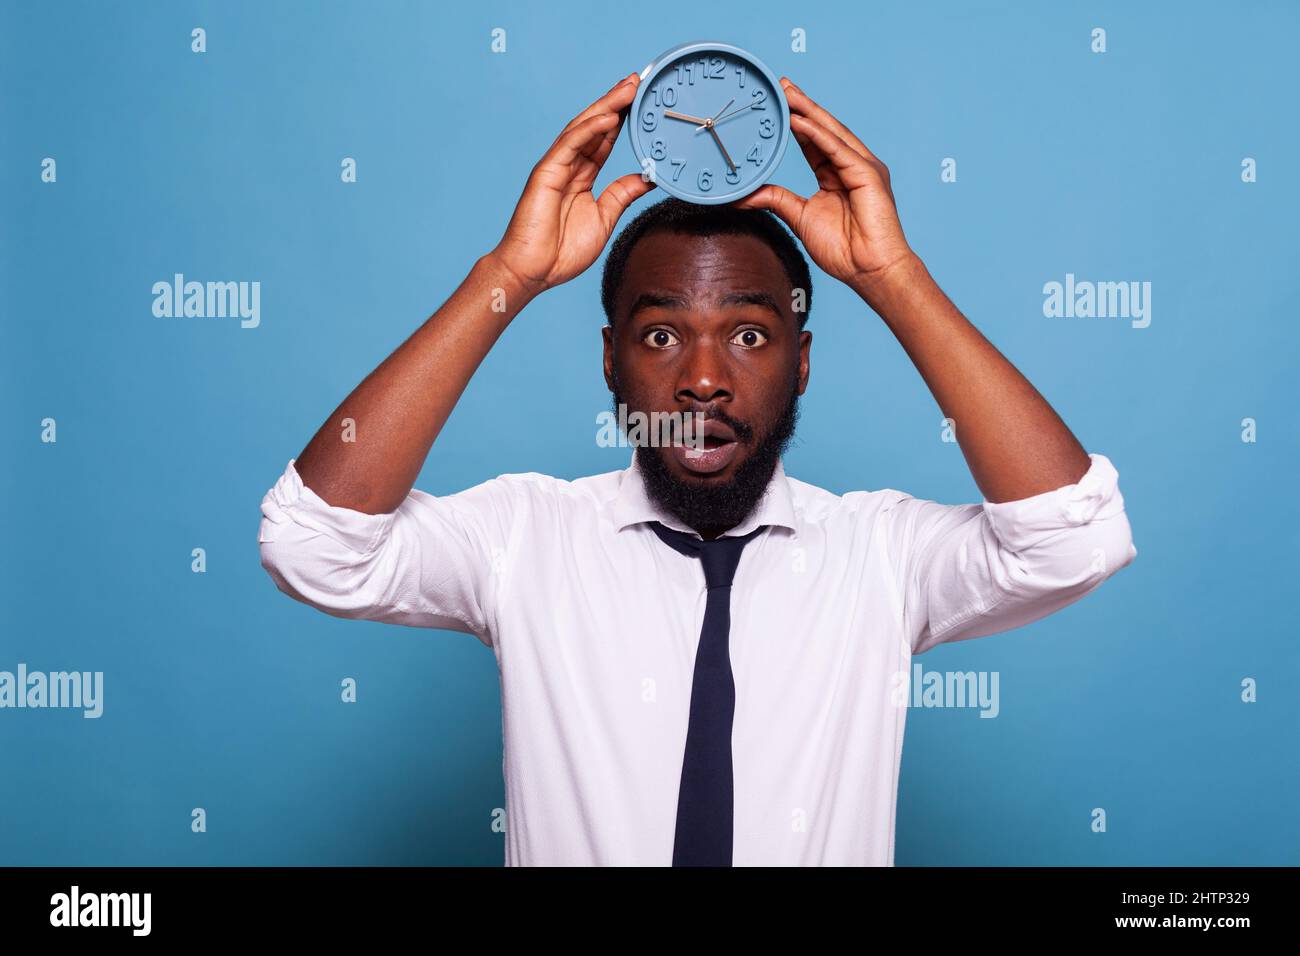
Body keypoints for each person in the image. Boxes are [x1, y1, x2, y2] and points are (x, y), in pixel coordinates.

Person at [257, 70, 1137, 866]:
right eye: (662, 335)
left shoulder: (880, 556)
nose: (704, 378)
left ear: (801, 362)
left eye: (750, 335)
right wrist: (510, 275)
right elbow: (314, 543)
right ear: (612, 362)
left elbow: (1074, 539)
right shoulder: (524, 537)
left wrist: (891, 275)